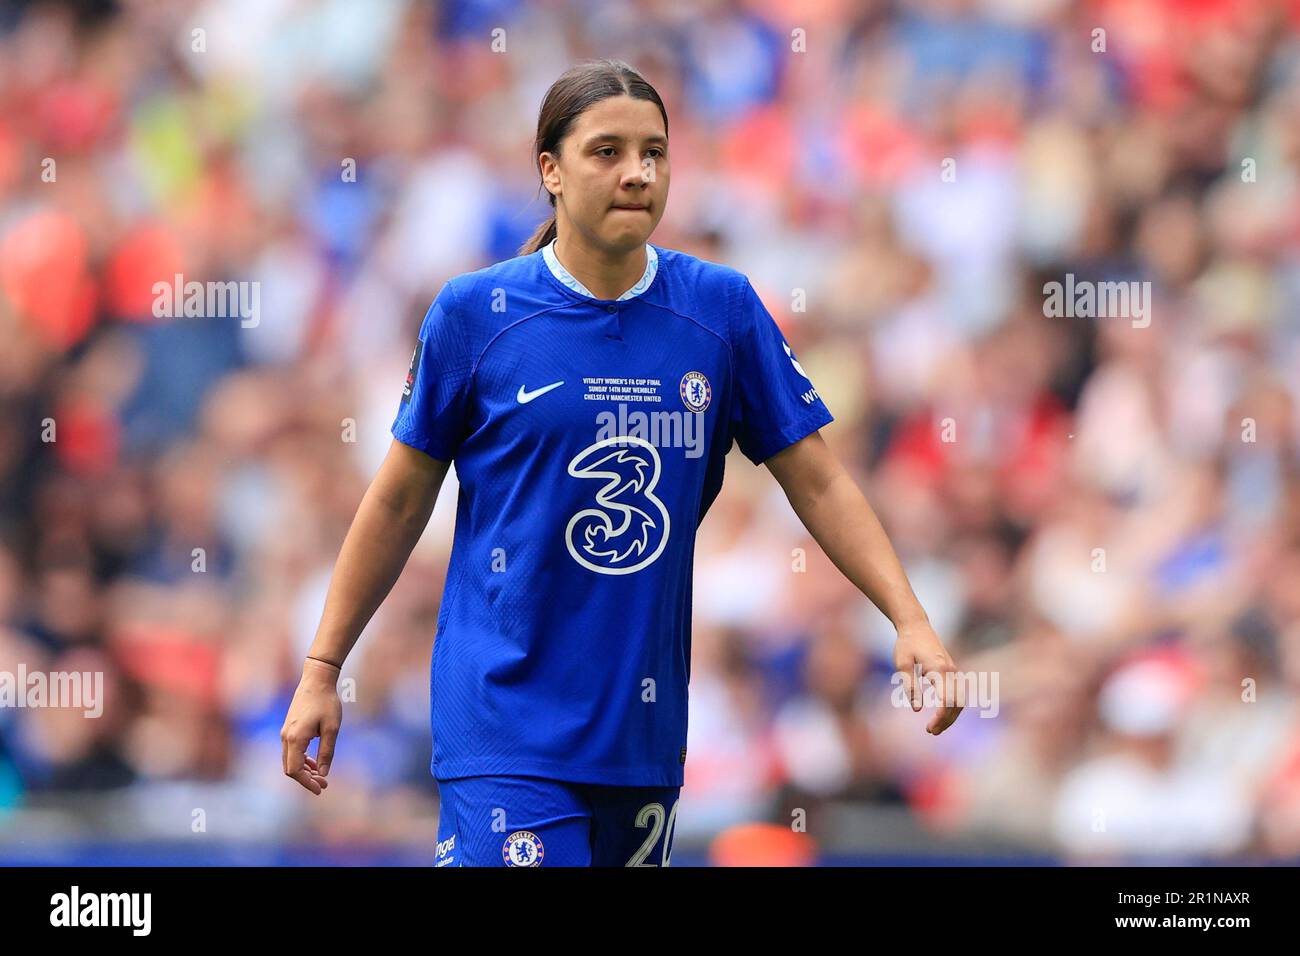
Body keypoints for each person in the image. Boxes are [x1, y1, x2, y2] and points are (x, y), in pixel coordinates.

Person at [280, 58, 962, 867]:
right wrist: (324, 665)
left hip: (642, 737)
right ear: (550, 171)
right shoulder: (476, 314)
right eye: (607, 151)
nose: (637, 173)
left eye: (654, 152)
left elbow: (816, 477)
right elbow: (396, 503)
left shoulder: (721, 310)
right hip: (506, 730)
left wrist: (910, 619)